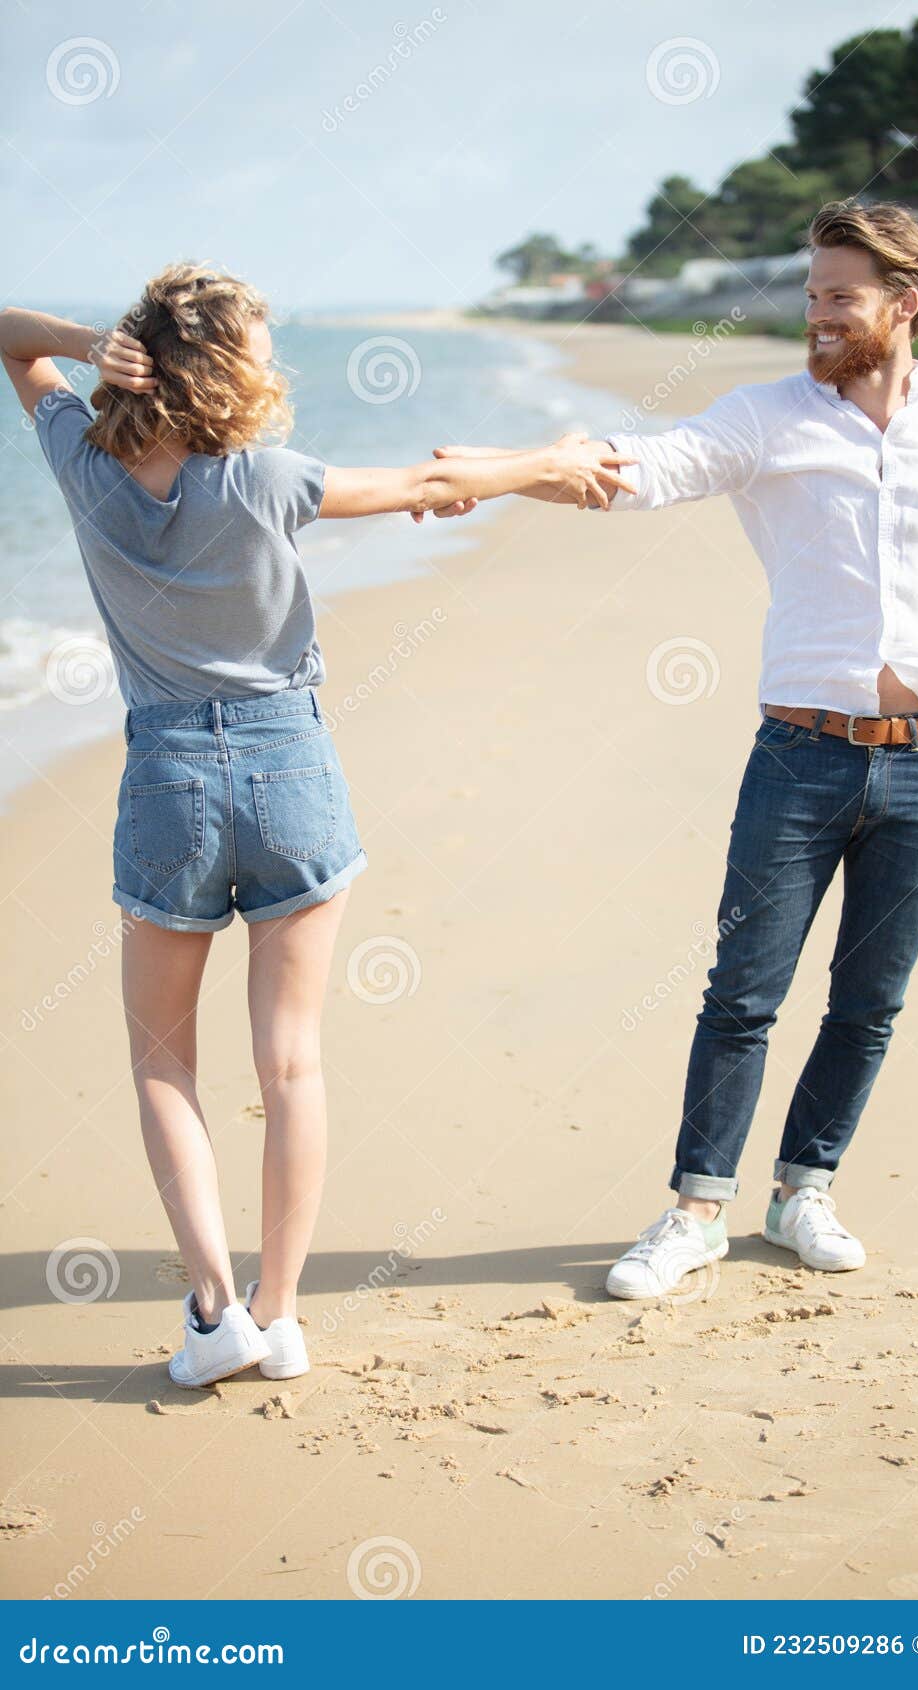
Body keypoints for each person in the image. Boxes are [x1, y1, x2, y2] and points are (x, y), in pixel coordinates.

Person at [0, 264, 635, 1385]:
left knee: (162, 1063)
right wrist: (549, 462)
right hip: (290, 760)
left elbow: (7, 338)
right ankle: (279, 1312)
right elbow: (423, 486)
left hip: (166, 779)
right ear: (236, 369)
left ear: (142, 355)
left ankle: (212, 1313)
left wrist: (88, 337)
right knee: (290, 1062)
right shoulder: (266, 478)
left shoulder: (80, 463)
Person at [435, 199, 918, 1291]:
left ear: (900, 304)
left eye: (835, 296)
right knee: (743, 991)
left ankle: (802, 1190)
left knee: (869, 1000)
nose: (814, 313)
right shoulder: (767, 416)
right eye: (810, 293)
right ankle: (695, 1210)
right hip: (800, 756)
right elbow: (639, 465)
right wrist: (495, 472)